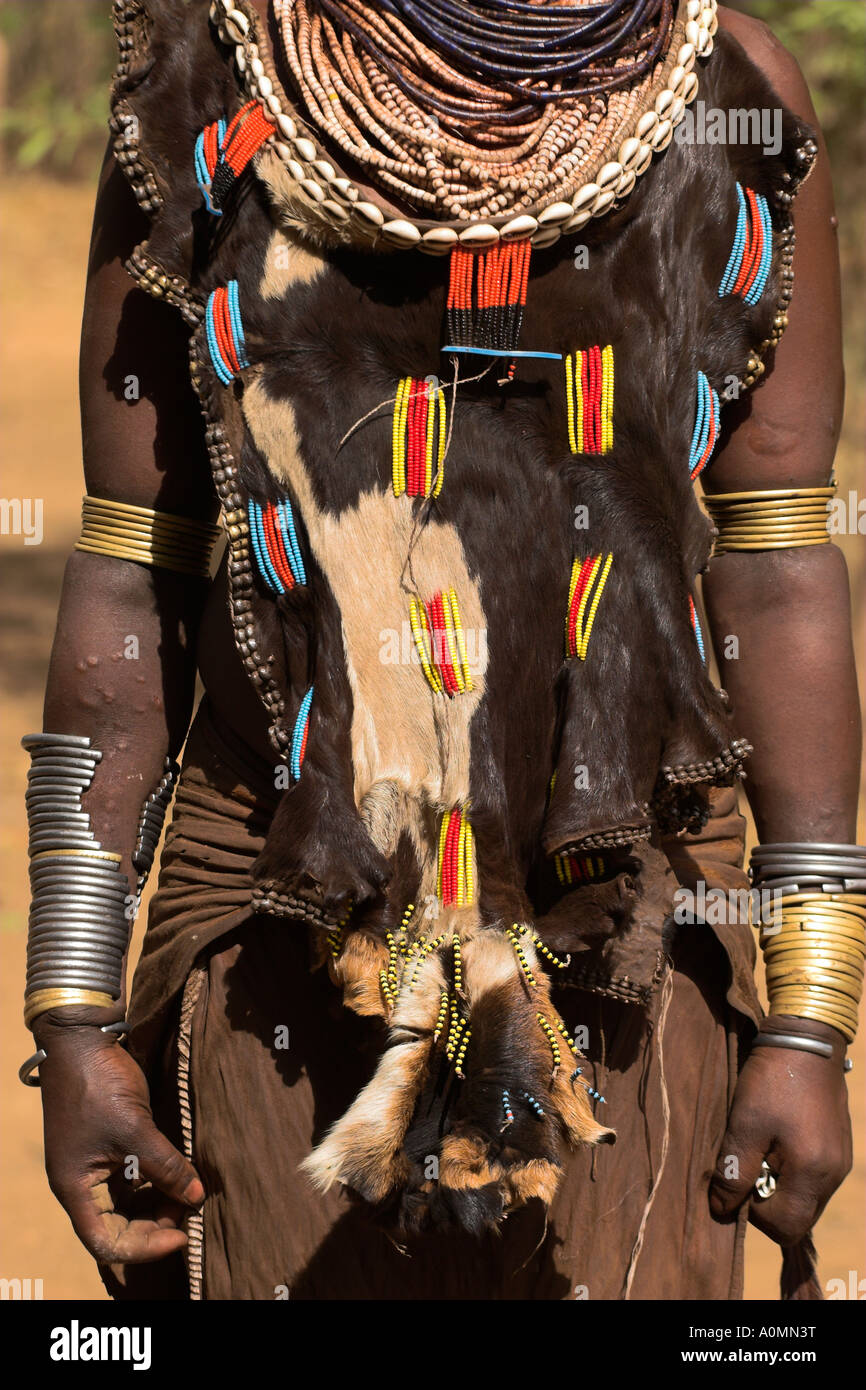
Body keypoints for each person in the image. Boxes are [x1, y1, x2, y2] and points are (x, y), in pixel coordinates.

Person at [21, 0, 862, 1301]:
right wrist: (72, 1013)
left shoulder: (725, 97)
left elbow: (778, 567)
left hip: (630, 946)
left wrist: (811, 1014)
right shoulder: (210, 84)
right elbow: (135, 565)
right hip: (276, 937)